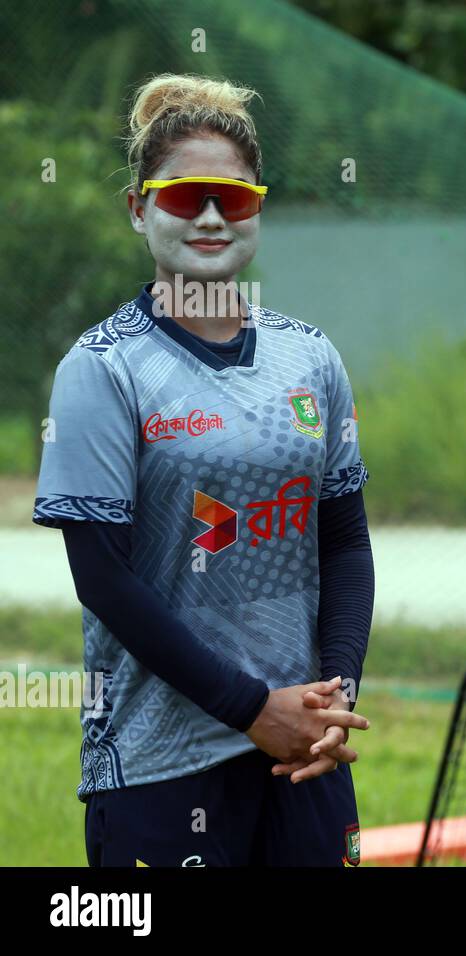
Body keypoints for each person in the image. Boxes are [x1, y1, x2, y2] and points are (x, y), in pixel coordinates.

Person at [32, 73, 375, 867]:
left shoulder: (310, 356)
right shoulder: (102, 368)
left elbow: (345, 545)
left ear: (260, 204)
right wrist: (252, 709)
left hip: (304, 755)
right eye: (185, 197)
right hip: (162, 766)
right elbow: (103, 581)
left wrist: (335, 698)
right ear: (138, 209)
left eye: (234, 197)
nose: (213, 217)